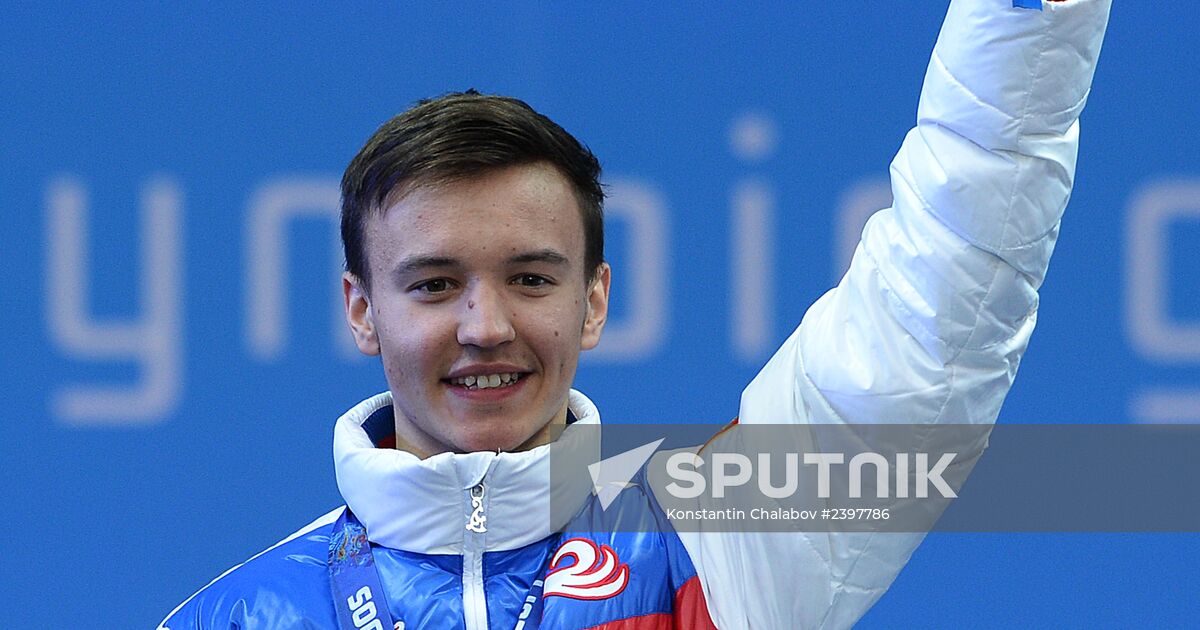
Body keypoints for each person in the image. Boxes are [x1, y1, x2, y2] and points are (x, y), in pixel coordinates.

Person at [159, 1, 1110, 628]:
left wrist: (1027, 23)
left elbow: (942, 302)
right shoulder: (243, 614)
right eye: (436, 284)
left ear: (595, 300)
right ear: (362, 310)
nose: (485, 325)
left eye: (531, 279)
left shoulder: (713, 545)